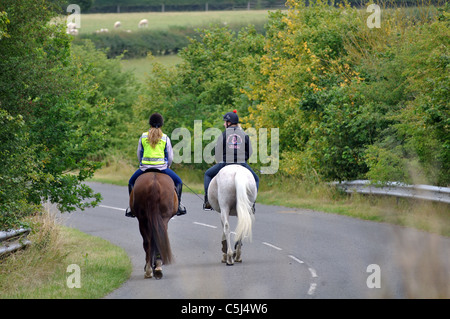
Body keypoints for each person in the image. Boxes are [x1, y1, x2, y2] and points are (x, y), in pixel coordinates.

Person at [125, 113, 187, 217]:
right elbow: (170, 155)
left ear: (150, 124)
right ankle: (179, 206)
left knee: (131, 182)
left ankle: (131, 208)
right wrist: (168, 165)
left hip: (145, 168)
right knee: (178, 181)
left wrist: (142, 163)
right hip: (162, 168)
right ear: (161, 125)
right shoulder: (165, 138)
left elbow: (139, 152)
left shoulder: (143, 136)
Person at [203, 110, 259, 211]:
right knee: (256, 179)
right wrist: (243, 159)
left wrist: (220, 159)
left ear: (229, 123)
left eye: (225, 122)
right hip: (242, 163)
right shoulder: (244, 135)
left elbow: (218, 152)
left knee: (207, 174)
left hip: (226, 163)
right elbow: (250, 152)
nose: (224, 124)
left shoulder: (223, 135)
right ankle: (252, 204)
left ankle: (207, 201)